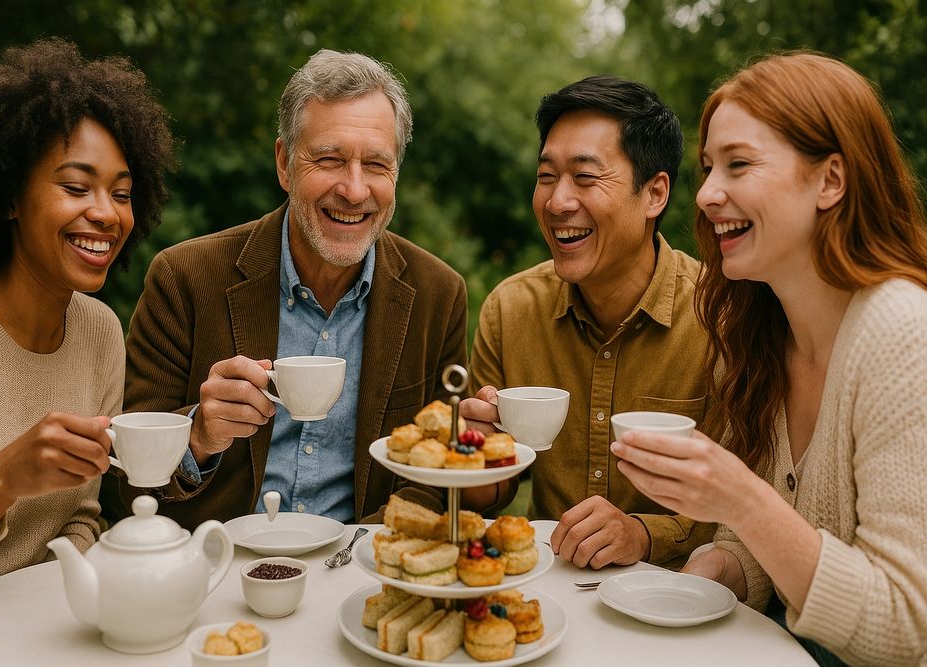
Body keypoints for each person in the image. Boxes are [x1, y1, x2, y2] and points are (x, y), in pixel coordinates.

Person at [612, 52, 927, 666]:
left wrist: (741, 498)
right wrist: (708, 574)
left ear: (830, 181)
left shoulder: (902, 335)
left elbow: (907, 627)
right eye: (709, 168)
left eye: (739, 164)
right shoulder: (758, 334)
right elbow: (760, 549)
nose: (707, 194)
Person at [101, 49, 479, 528]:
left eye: (376, 165)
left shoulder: (437, 294)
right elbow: (123, 488)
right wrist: (197, 437)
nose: (355, 190)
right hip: (218, 562)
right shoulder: (184, 278)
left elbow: (440, 476)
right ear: (284, 164)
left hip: (356, 560)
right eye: (330, 160)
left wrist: (365, 545)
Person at [0, 38, 174, 606]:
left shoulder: (100, 331)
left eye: (121, 194)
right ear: (10, 197)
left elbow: (81, 518)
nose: (106, 213)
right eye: (75, 187)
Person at [461, 75, 718, 571]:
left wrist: (643, 533)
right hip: (548, 586)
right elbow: (492, 493)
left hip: (680, 593)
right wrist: (474, 457)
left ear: (655, 194)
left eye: (585, 177)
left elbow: (748, 497)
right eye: (546, 176)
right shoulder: (510, 310)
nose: (557, 202)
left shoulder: (719, 317)